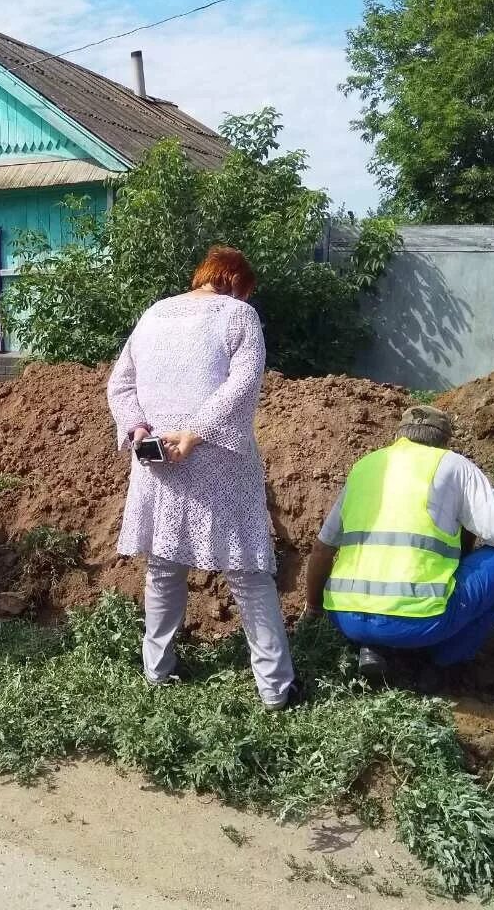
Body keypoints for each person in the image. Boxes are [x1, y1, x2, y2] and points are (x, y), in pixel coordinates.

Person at [106, 245, 299, 710]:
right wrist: (195, 433)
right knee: (249, 571)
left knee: (163, 568)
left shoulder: (154, 314)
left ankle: (158, 672)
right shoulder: (238, 316)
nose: (246, 300)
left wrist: (138, 429)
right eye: (246, 291)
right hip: (219, 462)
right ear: (236, 282)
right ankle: (276, 690)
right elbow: (243, 385)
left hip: (156, 465)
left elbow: (121, 383)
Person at [302, 405, 494, 684]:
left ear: (399, 436)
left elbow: (322, 549)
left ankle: (374, 647)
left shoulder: (365, 467)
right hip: (418, 622)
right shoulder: (452, 465)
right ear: (444, 441)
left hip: (346, 618)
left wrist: (314, 608)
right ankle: (441, 663)